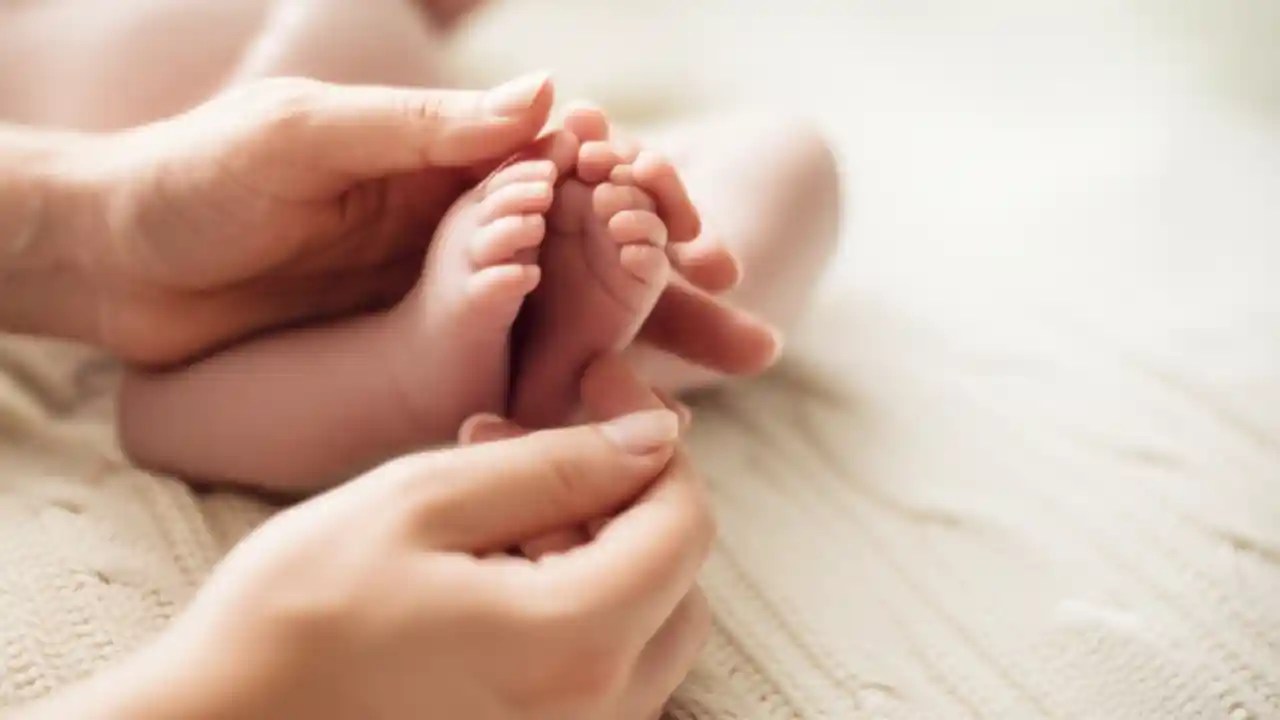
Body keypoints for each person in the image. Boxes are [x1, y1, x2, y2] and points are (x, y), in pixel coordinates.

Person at [2, 77, 720, 719]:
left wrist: (84, 214)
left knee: (788, 165)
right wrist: (266, 693)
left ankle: (506, 359)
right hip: (201, 143)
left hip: (208, 147)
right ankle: (429, 367)